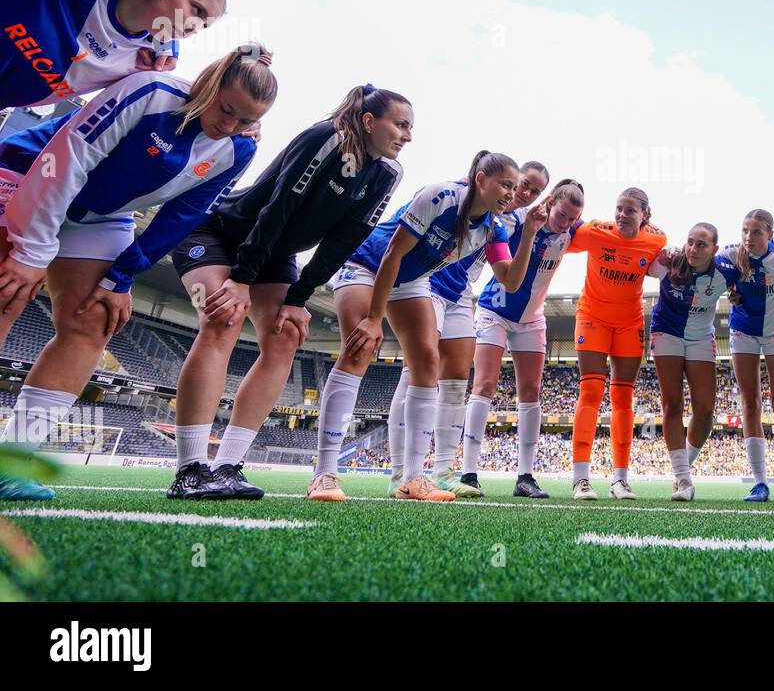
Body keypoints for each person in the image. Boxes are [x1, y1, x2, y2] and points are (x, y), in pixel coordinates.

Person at [0, 49, 274, 501]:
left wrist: (121, 278)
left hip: (99, 217)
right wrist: (33, 247)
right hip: (31, 175)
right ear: (211, 82)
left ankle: (12, 459)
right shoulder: (151, 91)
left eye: (245, 121)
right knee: (8, 296)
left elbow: (181, 216)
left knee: (93, 322)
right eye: (227, 109)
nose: (229, 126)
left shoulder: (237, 149)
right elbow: (70, 157)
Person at [167, 84, 408, 501]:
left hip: (274, 252)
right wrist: (241, 278)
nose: (408, 135)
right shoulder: (327, 138)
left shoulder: (387, 173)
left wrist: (299, 298)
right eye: (401, 124)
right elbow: (276, 209)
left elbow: (341, 242)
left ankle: (227, 466)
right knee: (223, 318)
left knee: (286, 336)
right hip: (219, 234)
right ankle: (189, 469)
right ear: (370, 121)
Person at [311, 153, 542, 503]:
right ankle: (324, 473)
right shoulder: (441, 196)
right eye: (506, 184)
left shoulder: (492, 228)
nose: (511, 194)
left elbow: (509, 280)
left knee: (427, 363)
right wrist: (374, 318)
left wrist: (529, 236)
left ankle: (413, 478)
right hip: (369, 267)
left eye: (514, 187)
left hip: (412, 279)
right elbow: (393, 253)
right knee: (357, 350)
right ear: (481, 179)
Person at [423, 161, 549, 495]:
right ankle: (409, 470)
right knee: (419, 373)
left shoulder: (514, 222)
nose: (525, 193)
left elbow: (511, 273)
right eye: (523, 184)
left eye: (535, 191)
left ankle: (441, 470)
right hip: (430, 285)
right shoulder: (470, 201)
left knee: (451, 382)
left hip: (461, 293)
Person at [464, 178, 585, 498]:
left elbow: (605, 234)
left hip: (532, 320)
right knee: (485, 385)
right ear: (549, 202)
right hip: (494, 311)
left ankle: (525, 477)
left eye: (573, 218)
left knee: (531, 392)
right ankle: (468, 472)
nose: (567, 223)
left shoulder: (572, 230)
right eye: (562, 215)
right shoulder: (518, 219)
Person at [0, 0, 224, 108]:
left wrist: (244, 128)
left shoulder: (149, 64)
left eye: (204, 26)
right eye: (197, 9)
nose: (195, 27)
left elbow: (175, 107)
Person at [566, 187, 667, 500]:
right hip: (592, 318)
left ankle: (620, 480)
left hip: (629, 324)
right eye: (619, 209)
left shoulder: (656, 239)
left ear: (645, 215)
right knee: (591, 392)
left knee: (623, 399)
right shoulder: (595, 231)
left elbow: (665, 267)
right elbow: (559, 240)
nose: (622, 215)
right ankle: (580, 479)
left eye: (631, 210)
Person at [721, 210, 774, 503]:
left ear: (770, 234)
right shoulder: (732, 254)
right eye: (745, 230)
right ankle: (759, 483)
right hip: (742, 333)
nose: (749, 237)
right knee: (750, 403)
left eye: (756, 232)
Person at [650, 222, 739, 501]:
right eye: (690, 242)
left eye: (701, 245)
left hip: (701, 338)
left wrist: (737, 292)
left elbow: (745, 274)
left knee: (704, 410)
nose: (693, 249)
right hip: (666, 333)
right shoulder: (668, 263)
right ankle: (683, 480)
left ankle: (683, 467)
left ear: (715, 249)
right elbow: (638, 264)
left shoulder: (727, 271)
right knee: (672, 404)